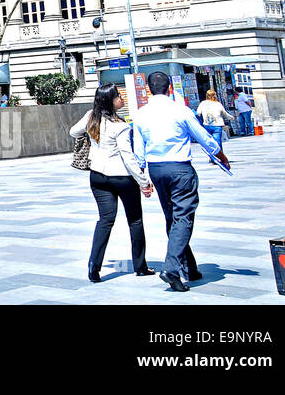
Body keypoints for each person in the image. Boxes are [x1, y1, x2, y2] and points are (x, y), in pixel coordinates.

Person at [131, 72, 230, 292]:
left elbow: (138, 147)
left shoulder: (140, 114)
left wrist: (142, 176)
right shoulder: (180, 110)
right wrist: (219, 154)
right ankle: (172, 268)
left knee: (173, 218)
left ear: (148, 89)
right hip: (179, 167)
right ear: (169, 89)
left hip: (156, 168)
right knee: (183, 218)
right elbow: (202, 136)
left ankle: (189, 268)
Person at [70, 85, 155, 282]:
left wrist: (90, 137)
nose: (121, 98)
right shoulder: (121, 126)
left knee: (105, 220)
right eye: (118, 96)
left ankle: (94, 266)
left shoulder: (91, 116)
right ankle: (140, 266)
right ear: (111, 101)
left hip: (98, 175)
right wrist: (144, 182)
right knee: (135, 220)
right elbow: (128, 157)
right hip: (122, 177)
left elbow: (74, 131)